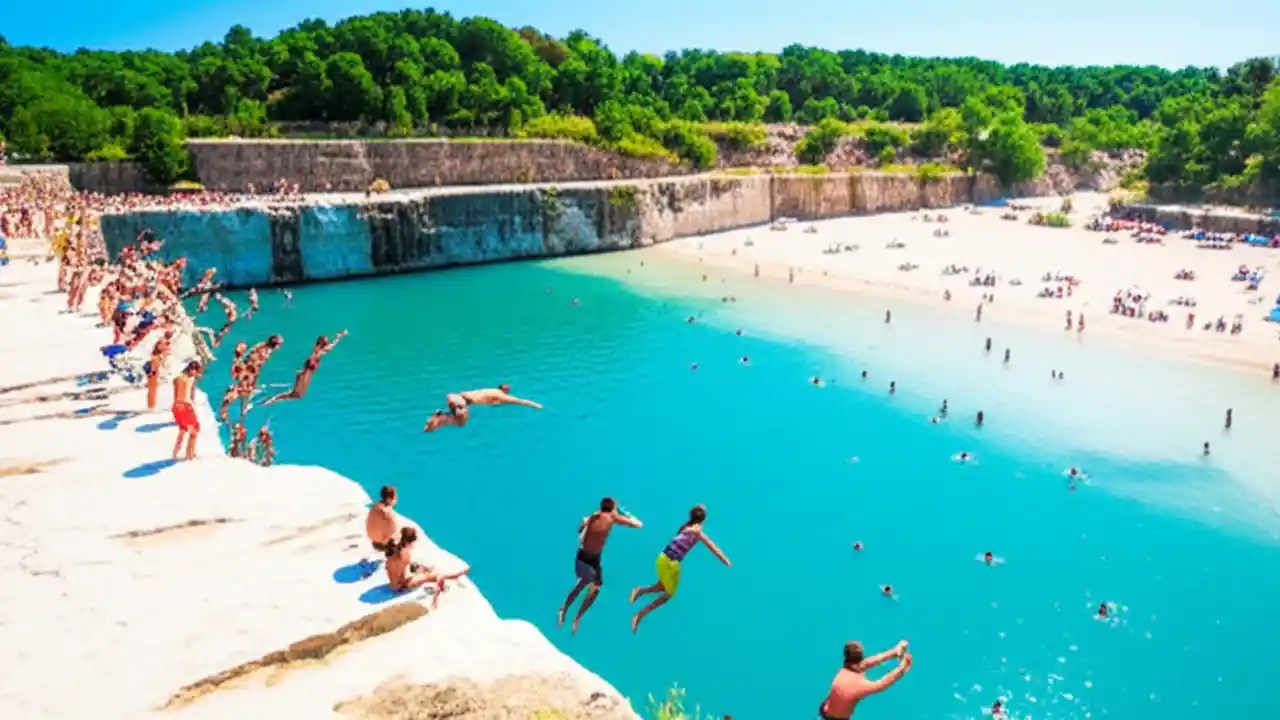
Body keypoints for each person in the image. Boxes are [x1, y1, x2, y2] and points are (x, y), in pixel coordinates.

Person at [629, 504, 730, 633]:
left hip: (662, 558)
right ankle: (639, 615)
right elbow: (712, 547)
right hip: (672, 564)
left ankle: (640, 590)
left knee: (661, 586)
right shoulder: (697, 532)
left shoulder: (685, 527)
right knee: (668, 594)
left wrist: (699, 509)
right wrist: (725, 560)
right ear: (703, 520)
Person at [559, 497, 643, 634]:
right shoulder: (611, 517)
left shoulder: (595, 516)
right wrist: (626, 513)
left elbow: (582, 527)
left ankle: (567, 610)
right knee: (592, 586)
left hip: (587, 556)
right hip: (589, 557)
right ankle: (574, 615)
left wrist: (585, 526)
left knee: (588, 584)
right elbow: (638, 524)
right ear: (612, 509)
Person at [818, 640, 912, 720]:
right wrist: (902, 668)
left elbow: (866, 663)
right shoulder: (857, 685)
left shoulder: (845, 670)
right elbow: (882, 684)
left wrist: (895, 651)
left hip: (824, 713)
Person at [260, 330, 348, 406]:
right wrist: (339, 337)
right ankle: (270, 401)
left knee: (295, 395)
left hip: (305, 376)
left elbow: (329, 347)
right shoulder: (317, 354)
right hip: (304, 376)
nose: (326, 346)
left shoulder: (318, 353)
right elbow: (328, 348)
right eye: (325, 344)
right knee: (295, 395)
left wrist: (339, 338)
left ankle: (271, 400)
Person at [383, 526, 470, 603]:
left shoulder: (395, 550)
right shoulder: (405, 554)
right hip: (400, 585)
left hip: (393, 583)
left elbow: (399, 568)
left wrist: (419, 569)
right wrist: (420, 574)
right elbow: (403, 575)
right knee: (433, 575)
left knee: (423, 571)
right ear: (408, 542)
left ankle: (445, 575)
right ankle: (455, 575)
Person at [171, 361, 203, 461]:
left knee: (183, 429)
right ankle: (190, 455)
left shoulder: (185, 378)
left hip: (179, 406)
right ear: (192, 370)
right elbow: (180, 397)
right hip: (183, 406)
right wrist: (187, 408)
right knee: (194, 430)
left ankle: (176, 453)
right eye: (196, 371)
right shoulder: (181, 379)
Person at [366, 485, 399, 554]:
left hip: (373, 541)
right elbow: (392, 533)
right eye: (395, 497)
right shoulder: (388, 513)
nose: (396, 498)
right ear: (390, 499)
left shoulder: (375, 506)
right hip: (382, 545)